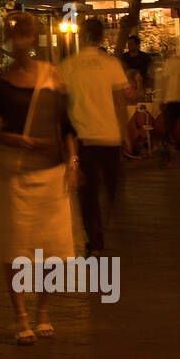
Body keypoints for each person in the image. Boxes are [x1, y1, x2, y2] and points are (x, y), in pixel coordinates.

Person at [0, 11, 78, 345]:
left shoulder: (52, 76)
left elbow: (67, 124)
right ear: (8, 39)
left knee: (52, 247)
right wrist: (15, 139)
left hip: (51, 170)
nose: (22, 41)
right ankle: (20, 315)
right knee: (16, 246)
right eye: (16, 34)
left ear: (34, 38)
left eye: (26, 34)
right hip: (15, 172)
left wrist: (73, 161)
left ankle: (43, 310)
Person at [58, 17, 133, 257]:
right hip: (109, 135)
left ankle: (95, 240)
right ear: (101, 37)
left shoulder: (67, 66)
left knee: (88, 194)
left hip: (82, 137)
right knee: (112, 189)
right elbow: (119, 102)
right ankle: (105, 230)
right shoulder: (111, 65)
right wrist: (125, 133)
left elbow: (62, 104)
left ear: (81, 36)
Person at [120, 34, 152, 99]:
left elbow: (150, 70)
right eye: (128, 44)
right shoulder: (124, 57)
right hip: (129, 86)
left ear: (137, 45)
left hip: (143, 84)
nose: (129, 46)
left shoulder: (145, 57)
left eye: (131, 44)